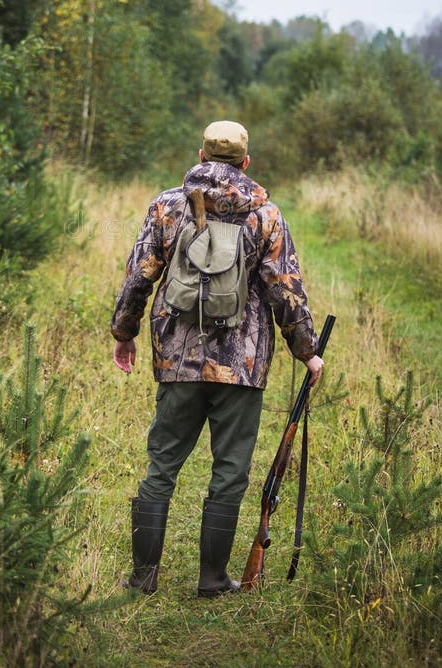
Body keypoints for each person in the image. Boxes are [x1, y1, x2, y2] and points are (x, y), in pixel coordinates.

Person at [111, 120, 324, 597]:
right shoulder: (265, 215)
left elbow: (138, 277)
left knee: (161, 467)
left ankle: (144, 577)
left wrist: (124, 333)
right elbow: (285, 292)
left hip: (178, 360)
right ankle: (212, 579)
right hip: (241, 366)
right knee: (229, 472)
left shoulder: (167, 206)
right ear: (246, 163)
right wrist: (306, 352)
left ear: (201, 155)